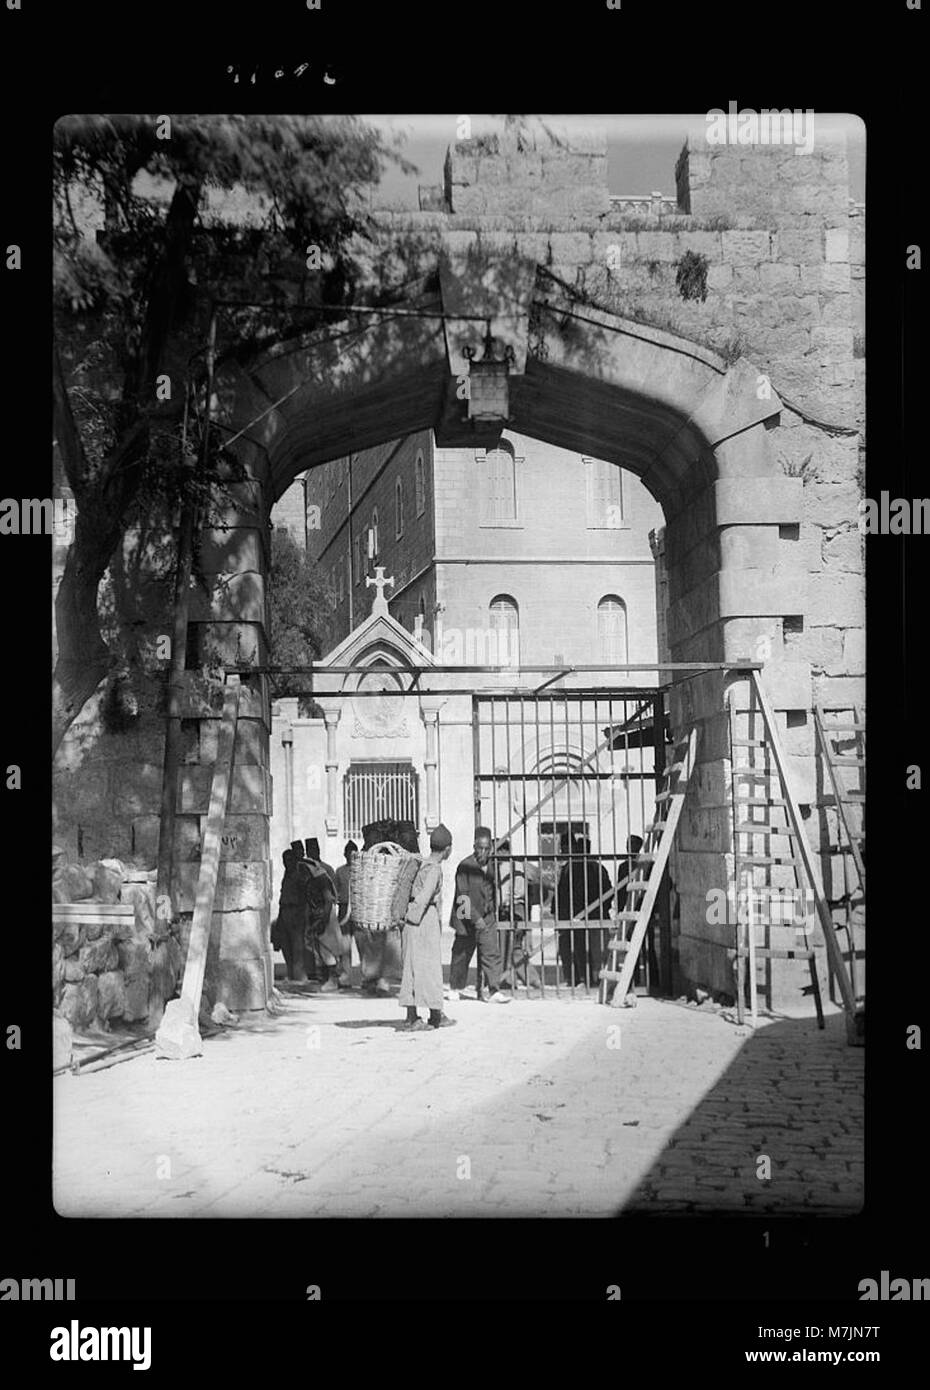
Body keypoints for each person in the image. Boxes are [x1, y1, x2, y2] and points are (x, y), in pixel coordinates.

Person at [399, 823, 456, 1031]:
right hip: (423, 922)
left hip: (414, 922)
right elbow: (424, 898)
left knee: (413, 968)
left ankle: (432, 1013)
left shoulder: (421, 863)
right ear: (447, 849)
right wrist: (411, 917)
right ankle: (420, 1017)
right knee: (428, 968)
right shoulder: (434, 869)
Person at [448, 827, 512, 1003]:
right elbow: (462, 896)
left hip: (487, 916)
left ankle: (494, 990)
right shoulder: (465, 866)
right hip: (465, 916)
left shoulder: (492, 865)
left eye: (486, 849)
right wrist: (476, 919)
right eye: (480, 848)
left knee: (491, 952)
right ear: (474, 847)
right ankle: (455, 987)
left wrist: (491, 912)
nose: (483, 852)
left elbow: (492, 890)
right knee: (461, 954)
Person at [556, 834, 614, 990]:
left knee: (583, 949)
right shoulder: (594, 867)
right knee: (591, 950)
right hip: (588, 915)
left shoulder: (575, 867)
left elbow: (565, 893)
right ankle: (592, 979)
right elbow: (608, 891)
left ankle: (585, 978)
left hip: (580, 915)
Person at [497, 840, 541, 991]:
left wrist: (497, 907)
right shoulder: (521, 865)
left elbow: (503, 894)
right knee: (515, 947)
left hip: (509, 910)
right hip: (521, 909)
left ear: (502, 851)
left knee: (504, 947)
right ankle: (530, 979)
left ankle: (506, 980)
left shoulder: (505, 866)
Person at [276, 842, 310, 982]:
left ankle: (299, 977)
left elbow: (305, 896)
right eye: (285, 860)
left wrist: (302, 915)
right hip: (285, 911)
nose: (287, 863)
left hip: (296, 912)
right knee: (286, 947)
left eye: (290, 860)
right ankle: (291, 975)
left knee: (297, 949)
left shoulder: (300, 873)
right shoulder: (286, 875)